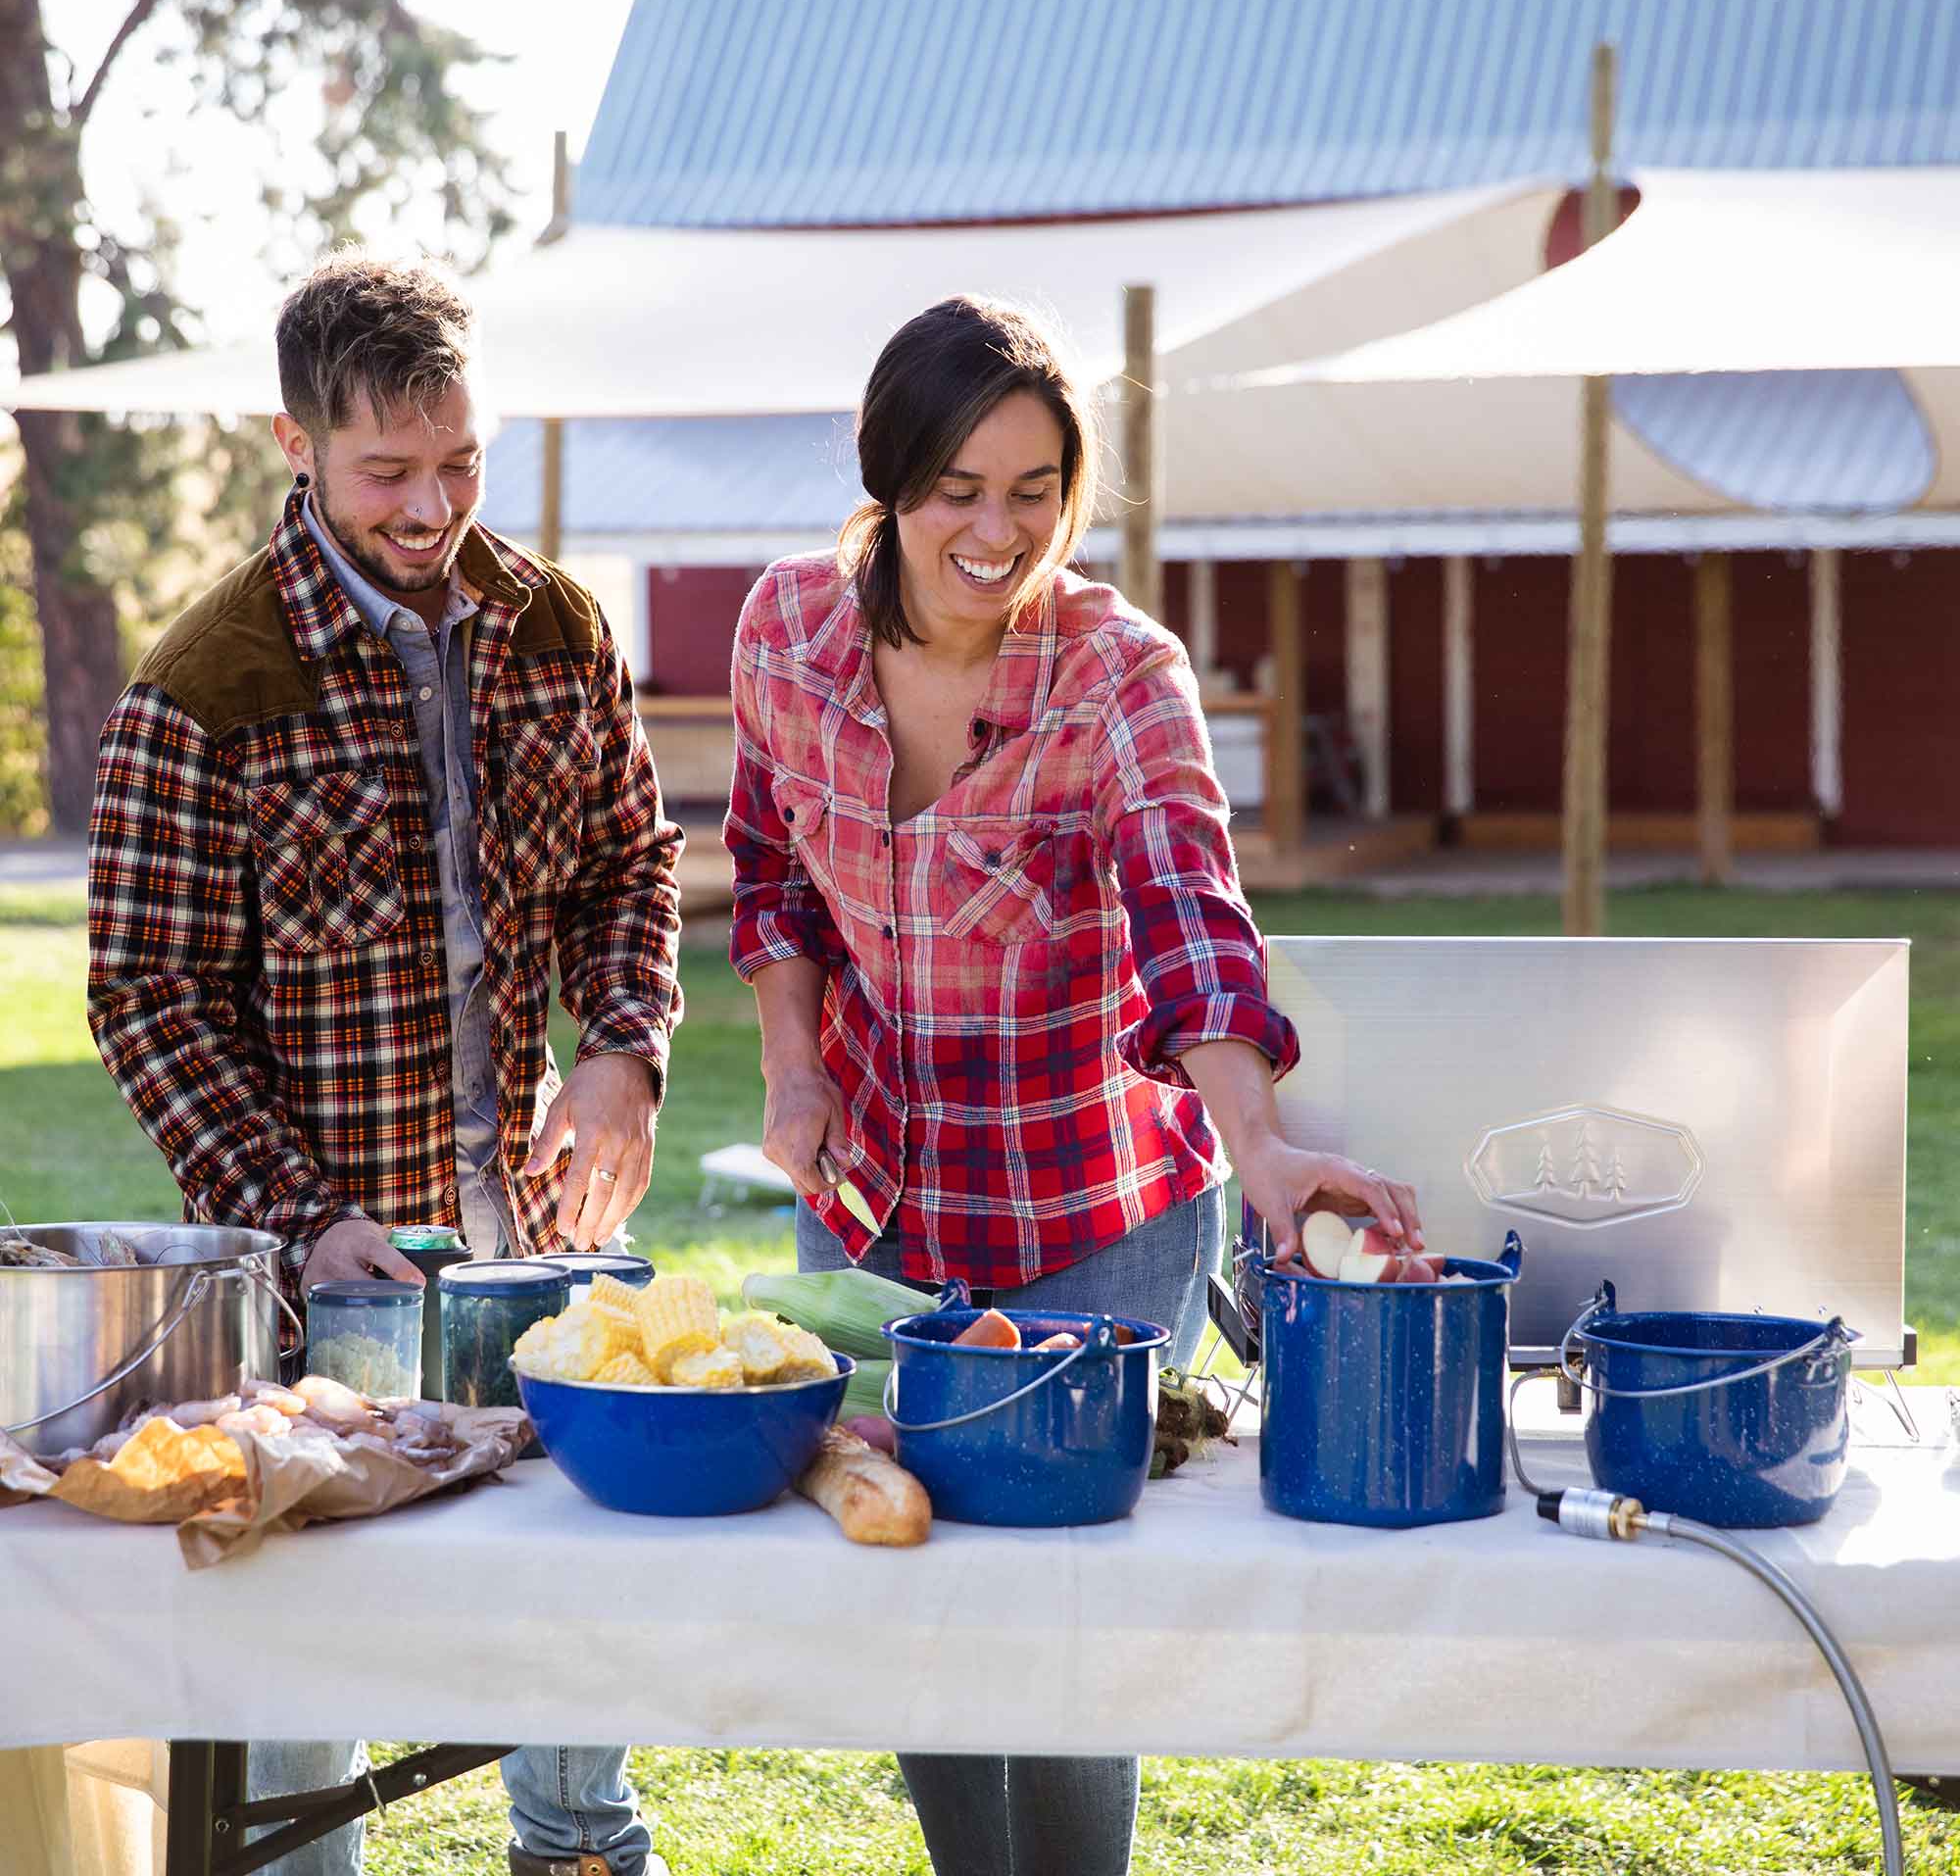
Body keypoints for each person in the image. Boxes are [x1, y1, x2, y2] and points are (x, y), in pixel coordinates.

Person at [725, 294, 1423, 1876]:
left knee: (1062, 1622)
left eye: (1035, 491)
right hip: (874, 1189)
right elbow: (767, 870)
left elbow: (1193, 918)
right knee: (909, 1585)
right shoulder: (782, 631)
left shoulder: (1120, 672)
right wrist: (788, 1067)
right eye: (960, 489)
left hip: (1094, 1204)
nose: (998, 530)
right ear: (888, 477)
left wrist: (1259, 1140)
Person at [85, 251, 681, 1876]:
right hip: (319, 1280)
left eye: (463, 460)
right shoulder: (204, 688)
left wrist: (623, 1045)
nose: (434, 507)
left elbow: (632, 869)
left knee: (568, 1609)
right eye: (390, 472)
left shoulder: (560, 632)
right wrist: (292, 1209)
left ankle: (577, 1853)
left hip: (542, 1254)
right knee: (304, 1680)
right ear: (296, 439)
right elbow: (147, 992)